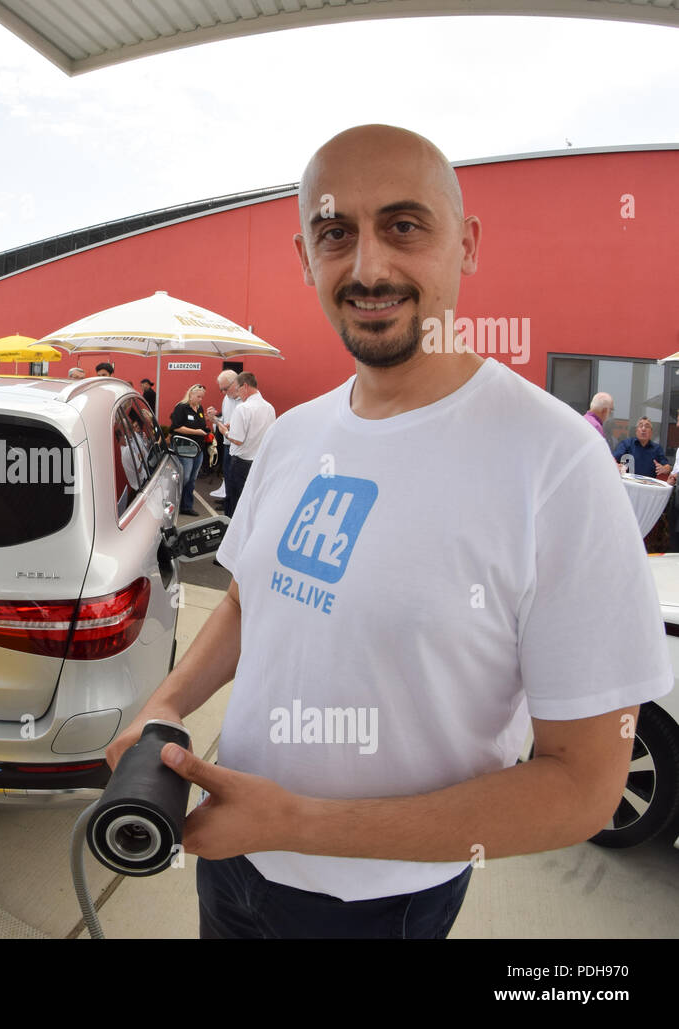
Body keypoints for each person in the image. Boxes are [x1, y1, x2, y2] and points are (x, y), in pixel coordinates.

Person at [106, 124, 670, 939]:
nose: (369, 267)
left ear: (467, 244)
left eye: (405, 226)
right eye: (336, 234)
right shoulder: (296, 435)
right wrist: (164, 702)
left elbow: (583, 786)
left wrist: (298, 823)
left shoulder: (556, 463)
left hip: (380, 907)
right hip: (228, 861)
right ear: (306, 257)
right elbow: (247, 601)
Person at [222, 372, 275, 517]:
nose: (238, 394)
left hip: (240, 463)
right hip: (259, 462)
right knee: (252, 502)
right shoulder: (270, 408)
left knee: (235, 502)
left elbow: (237, 440)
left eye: (238, 389)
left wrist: (225, 432)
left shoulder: (243, 408)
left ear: (245, 386)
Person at [169, 384, 211, 515]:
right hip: (184, 448)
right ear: (190, 394)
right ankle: (172, 503)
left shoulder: (199, 408)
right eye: (198, 396)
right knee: (185, 477)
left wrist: (205, 431)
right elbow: (176, 427)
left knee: (192, 479)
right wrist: (196, 432)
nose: (200, 399)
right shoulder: (181, 407)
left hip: (198, 449)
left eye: (202, 397)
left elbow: (202, 425)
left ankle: (187, 506)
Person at [209, 371, 241, 503]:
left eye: (225, 388)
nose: (223, 392)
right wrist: (214, 418)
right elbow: (223, 420)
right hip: (227, 443)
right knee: (227, 475)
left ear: (235, 383)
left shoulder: (245, 401)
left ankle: (232, 503)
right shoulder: (226, 399)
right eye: (221, 389)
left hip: (239, 447)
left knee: (236, 479)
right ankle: (227, 499)